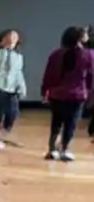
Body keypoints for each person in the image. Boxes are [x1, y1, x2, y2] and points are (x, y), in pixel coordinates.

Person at [40, 26, 93, 162]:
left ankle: (52, 150)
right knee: (71, 123)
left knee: (56, 122)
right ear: (81, 38)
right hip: (77, 95)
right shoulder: (89, 55)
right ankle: (65, 149)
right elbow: (90, 77)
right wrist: (90, 93)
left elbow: (48, 75)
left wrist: (45, 90)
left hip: (57, 94)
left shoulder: (55, 54)